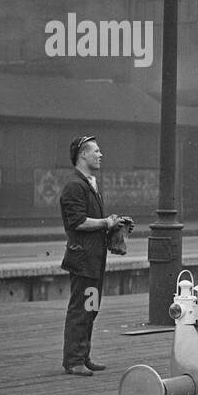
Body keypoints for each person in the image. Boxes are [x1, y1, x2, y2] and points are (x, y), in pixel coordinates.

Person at [60, 135, 131, 376]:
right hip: (83, 260)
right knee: (81, 308)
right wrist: (105, 222)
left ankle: (82, 355)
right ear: (83, 155)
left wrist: (112, 224)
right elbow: (77, 221)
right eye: (96, 151)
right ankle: (73, 360)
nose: (101, 155)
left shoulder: (88, 183)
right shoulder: (75, 186)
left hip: (93, 259)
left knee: (91, 307)